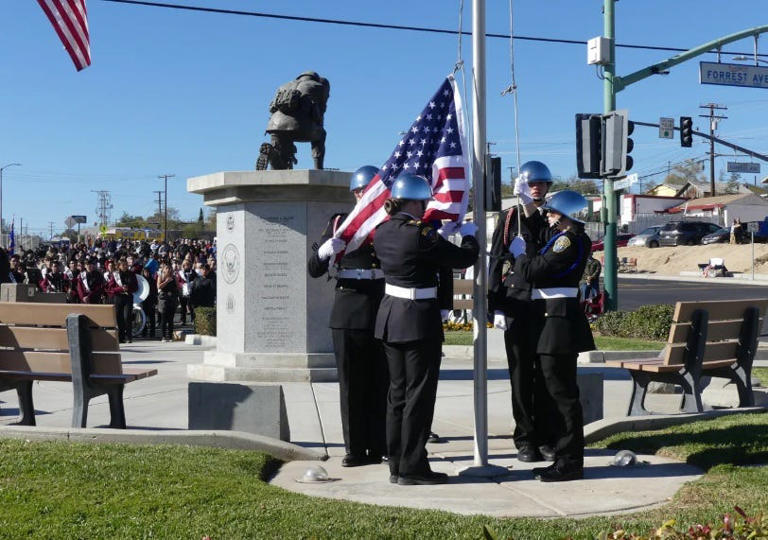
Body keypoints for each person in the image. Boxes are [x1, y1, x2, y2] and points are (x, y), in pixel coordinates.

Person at [374, 173, 479, 485]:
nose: (425, 208)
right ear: (416, 201)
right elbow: (462, 258)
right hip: (418, 319)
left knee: (397, 396)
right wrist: (470, 236)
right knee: (418, 396)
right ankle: (413, 467)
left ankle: (397, 464)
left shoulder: (382, 231)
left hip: (391, 317)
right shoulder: (419, 234)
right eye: (424, 202)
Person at [508, 190, 596, 482]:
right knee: (554, 392)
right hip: (553, 319)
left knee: (562, 396)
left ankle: (570, 461)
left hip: (557, 322)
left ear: (567, 213)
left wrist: (520, 256)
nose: (548, 215)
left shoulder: (567, 240)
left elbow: (536, 271)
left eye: (553, 211)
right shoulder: (565, 238)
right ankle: (563, 457)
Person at [307, 165, 388, 467]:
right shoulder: (339, 224)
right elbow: (313, 269)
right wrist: (325, 251)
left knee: (382, 383)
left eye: (367, 190)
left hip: (381, 308)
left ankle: (380, 445)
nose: (361, 195)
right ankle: (354, 448)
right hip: (348, 313)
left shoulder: (387, 222)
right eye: (358, 191)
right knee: (352, 385)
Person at [488, 160, 557, 463]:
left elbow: (545, 241)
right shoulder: (508, 218)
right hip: (516, 304)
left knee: (544, 374)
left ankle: (545, 436)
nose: (536, 188)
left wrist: (531, 209)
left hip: (544, 304)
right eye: (532, 184)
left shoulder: (553, 216)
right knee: (520, 375)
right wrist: (495, 305)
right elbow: (495, 262)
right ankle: (525, 438)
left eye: (541, 183)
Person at [107, 258, 139, 343]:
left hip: (128, 298)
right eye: (123, 265)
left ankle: (129, 337)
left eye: (126, 264)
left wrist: (128, 288)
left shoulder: (132, 274)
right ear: (119, 266)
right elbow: (110, 288)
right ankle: (121, 337)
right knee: (119, 318)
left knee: (127, 317)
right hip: (118, 298)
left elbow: (136, 287)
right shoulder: (115, 275)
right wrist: (120, 288)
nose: (125, 266)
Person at [157, 262, 178, 342]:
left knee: (171, 319)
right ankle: (163, 336)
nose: (168, 270)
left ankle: (170, 336)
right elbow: (158, 286)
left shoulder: (174, 277)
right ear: (164, 270)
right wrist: (166, 281)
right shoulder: (161, 277)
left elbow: (177, 287)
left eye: (170, 268)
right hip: (163, 299)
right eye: (167, 268)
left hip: (172, 298)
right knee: (164, 318)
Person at [176, 260, 197, 325]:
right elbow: (177, 282)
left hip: (191, 291)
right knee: (183, 307)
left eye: (188, 264)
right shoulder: (180, 273)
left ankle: (193, 320)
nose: (186, 266)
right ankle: (183, 320)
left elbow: (196, 280)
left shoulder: (193, 272)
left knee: (191, 306)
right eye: (185, 265)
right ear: (183, 265)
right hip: (182, 292)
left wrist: (192, 283)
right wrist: (182, 285)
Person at [140, 266, 158, 339]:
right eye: (145, 272)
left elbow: (155, 291)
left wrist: (155, 301)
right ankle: (144, 332)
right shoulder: (141, 281)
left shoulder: (153, 281)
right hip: (143, 301)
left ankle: (152, 333)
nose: (146, 274)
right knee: (143, 318)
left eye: (147, 272)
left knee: (152, 318)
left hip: (151, 300)